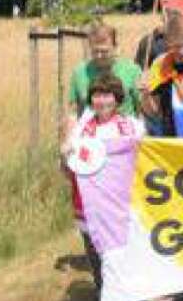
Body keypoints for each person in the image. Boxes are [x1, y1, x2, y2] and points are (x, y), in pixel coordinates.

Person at [61, 75, 145, 293]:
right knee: (98, 264)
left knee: (125, 265)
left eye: (107, 95)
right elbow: (67, 170)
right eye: (97, 95)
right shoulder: (80, 130)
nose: (102, 100)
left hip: (121, 209)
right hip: (89, 209)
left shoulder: (133, 127)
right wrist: (65, 154)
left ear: (117, 99)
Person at [65, 23, 141, 137]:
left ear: (115, 47)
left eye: (104, 51)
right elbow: (73, 112)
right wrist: (69, 140)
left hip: (124, 139)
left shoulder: (132, 71)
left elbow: (141, 110)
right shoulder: (79, 73)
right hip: (90, 140)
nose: (99, 56)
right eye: (95, 51)